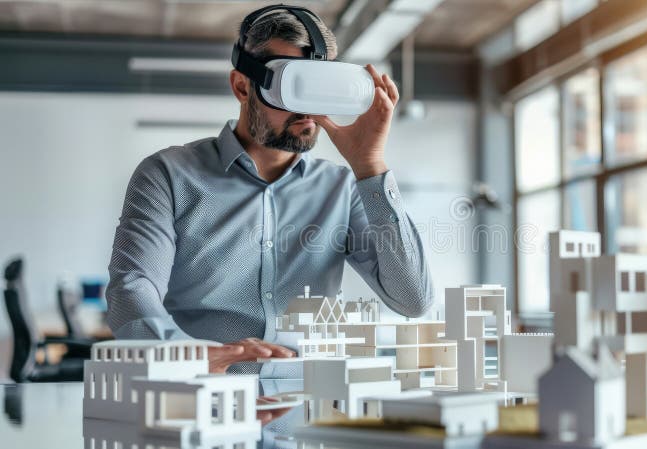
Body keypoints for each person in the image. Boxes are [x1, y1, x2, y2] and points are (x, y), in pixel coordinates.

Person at [105, 6, 434, 386]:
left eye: (319, 89)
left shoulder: (343, 189)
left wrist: (371, 166)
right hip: (205, 400)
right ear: (243, 86)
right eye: (293, 87)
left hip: (307, 414)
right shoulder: (169, 176)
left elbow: (413, 300)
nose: (308, 109)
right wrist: (189, 357)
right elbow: (132, 289)